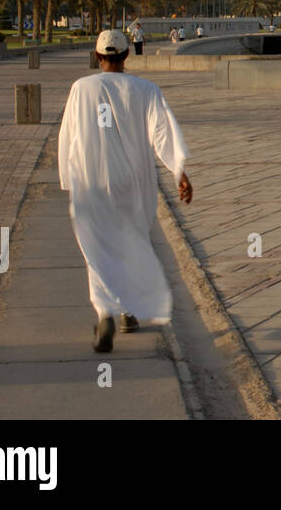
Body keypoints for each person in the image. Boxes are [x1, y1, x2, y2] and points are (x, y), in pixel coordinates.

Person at [57, 30, 193, 352]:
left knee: (98, 246)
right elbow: (163, 132)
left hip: (92, 181)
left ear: (97, 56)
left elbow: (68, 137)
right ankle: (128, 311)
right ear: (126, 56)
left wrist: (68, 179)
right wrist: (179, 172)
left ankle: (105, 311)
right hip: (133, 183)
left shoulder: (80, 89)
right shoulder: (146, 90)